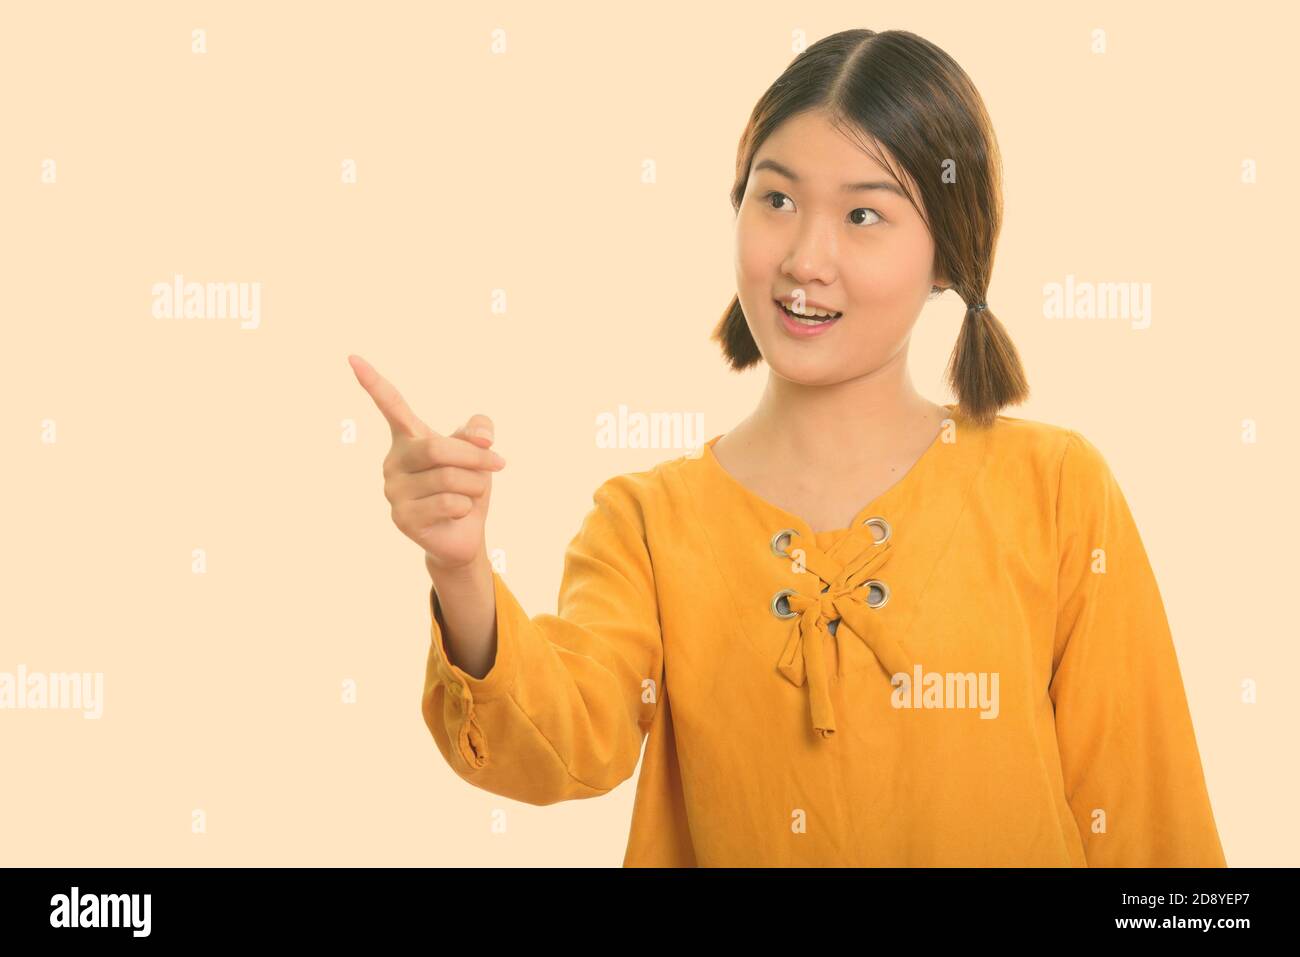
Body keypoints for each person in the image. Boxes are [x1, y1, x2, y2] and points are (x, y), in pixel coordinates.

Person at [350, 28, 1226, 867]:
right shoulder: (649, 520)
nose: (808, 258)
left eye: (864, 215)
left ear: (948, 255)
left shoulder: (1058, 487)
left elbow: (1150, 817)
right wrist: (460, 569)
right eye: (777, 200)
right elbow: (562, 745)